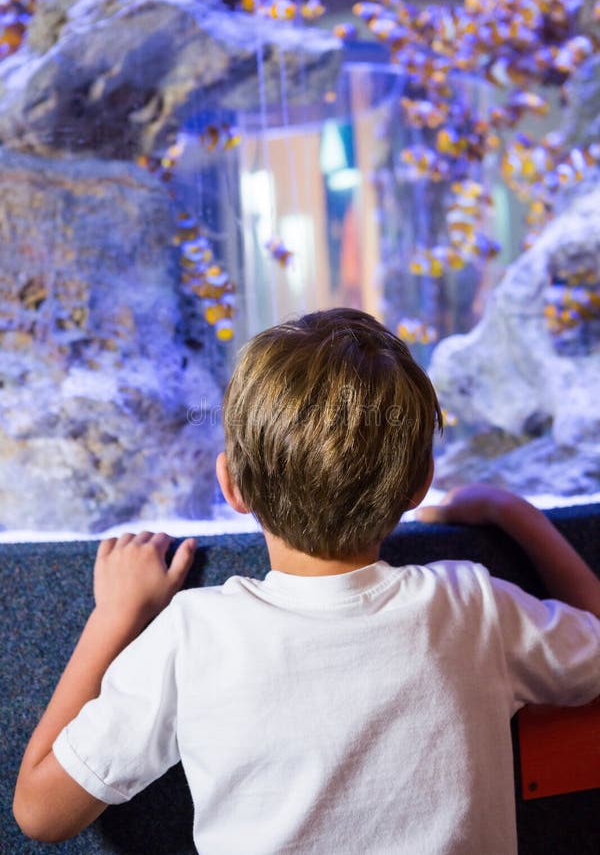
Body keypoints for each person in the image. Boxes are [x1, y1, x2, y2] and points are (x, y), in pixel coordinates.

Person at [13, 308, 600, 854]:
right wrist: (514, 513)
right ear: (420, 482)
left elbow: (42, 814)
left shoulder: (193, 637)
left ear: (230, 484)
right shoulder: (474, 609)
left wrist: (114, 615)